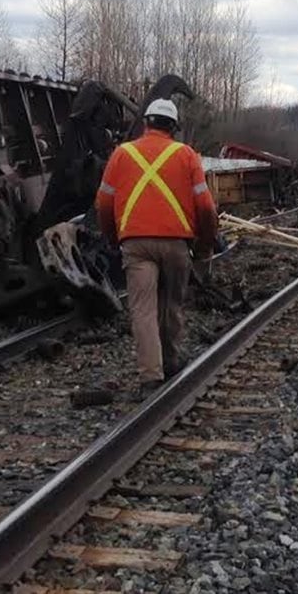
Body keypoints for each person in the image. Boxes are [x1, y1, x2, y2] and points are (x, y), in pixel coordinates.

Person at [94, 98, 218, 396]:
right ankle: (171, 360)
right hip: (177, 244)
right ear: (173, 127)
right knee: (172, 304)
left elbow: (103, 203)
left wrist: (114, 237)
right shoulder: (186, 155)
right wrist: (204, 245)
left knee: (143, 310)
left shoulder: (122, 154)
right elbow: (205, 207)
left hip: (135, 244)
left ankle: (151, 375)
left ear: (146, 123)